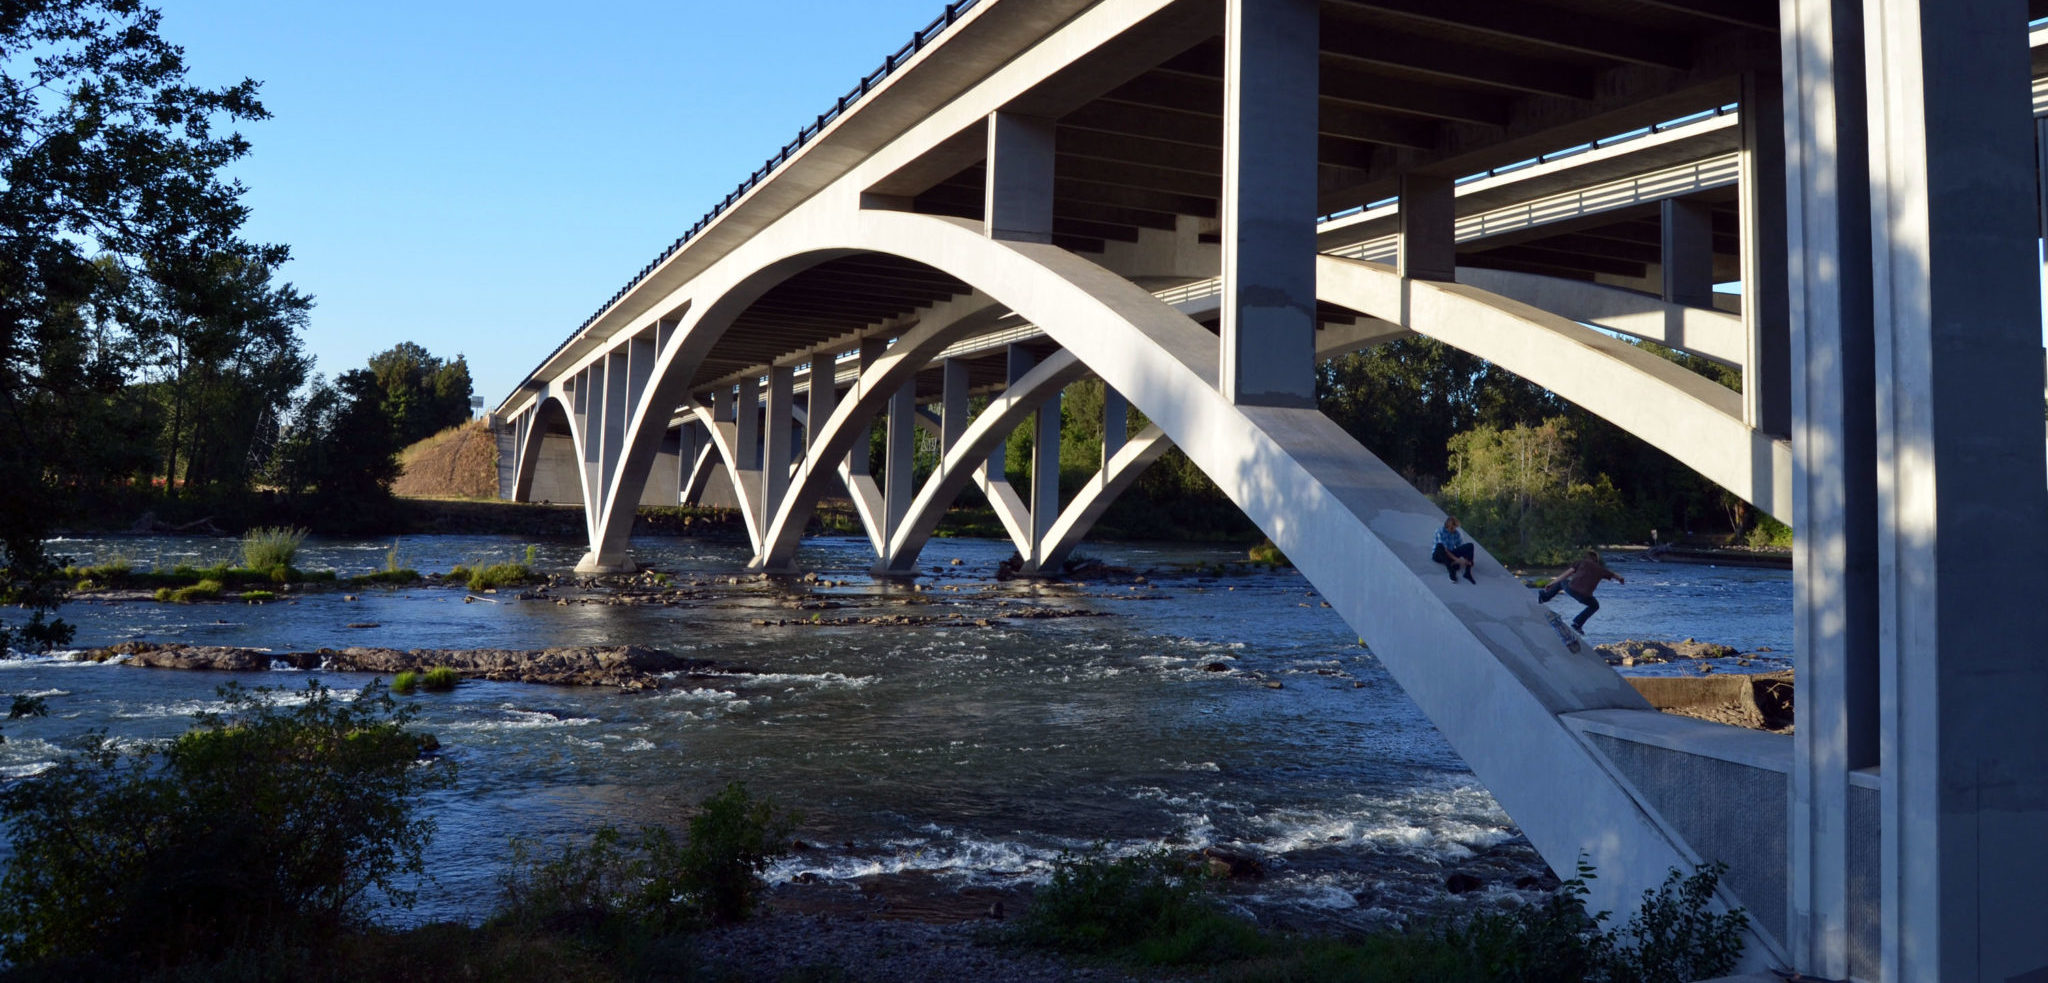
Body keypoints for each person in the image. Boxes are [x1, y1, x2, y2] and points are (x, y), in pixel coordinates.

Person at [1539, 549, 1624, 632]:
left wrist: (1552, 583)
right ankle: (1577, 623)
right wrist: (1620, 579)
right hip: (1584, 596)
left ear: (1587, 557)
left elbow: (1566, 574)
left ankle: (1544, 597)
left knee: (1562, 582)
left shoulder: (1581, 562)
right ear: (1596, 560)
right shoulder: (1601, 570)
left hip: (1572, 589)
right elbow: (1614, 575)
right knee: (1594, 606)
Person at [1431, 516, 1476, 583]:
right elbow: (1445, 549)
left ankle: (1467, 572)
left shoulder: (1456, 533)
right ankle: (1451, 572)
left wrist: (1466, 559)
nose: (1453, 530)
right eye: (1452, 528)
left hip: (1450, 555)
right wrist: (1457, 559)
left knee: (1470, 545)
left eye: (1455, 528)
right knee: (1440, 546)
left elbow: (1460, 547)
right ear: (1447, 525)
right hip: (1439, 554)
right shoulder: (1440, 531)